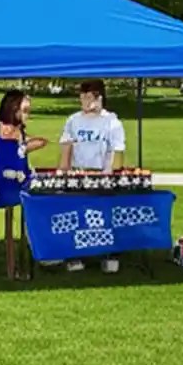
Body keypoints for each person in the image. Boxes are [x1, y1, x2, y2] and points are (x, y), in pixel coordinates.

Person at [58, 79, 127, 273]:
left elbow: (117, 151)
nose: (85, 102)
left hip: (102, 176)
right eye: (82, 97)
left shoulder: (112, 121)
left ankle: (109, 255)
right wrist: (62, 173)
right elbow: (66, 148)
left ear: (99, 98)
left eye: (89, 97)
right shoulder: (73, 120)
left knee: (104, 215)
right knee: (76, 215)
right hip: (78, 174)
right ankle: (74, 256)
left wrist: (110, 175)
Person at [0, 90, 48, 280]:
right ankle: (12, 266)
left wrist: (30, 143)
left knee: (26, 220)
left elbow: (30, 143)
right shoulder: (6, 128)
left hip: (23, 180)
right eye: (24, 110)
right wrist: (26, 143)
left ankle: (27, 262)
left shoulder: (19, 131)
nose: (27, 115)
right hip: (7, 182)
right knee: (11, 222)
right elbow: (14, 139)